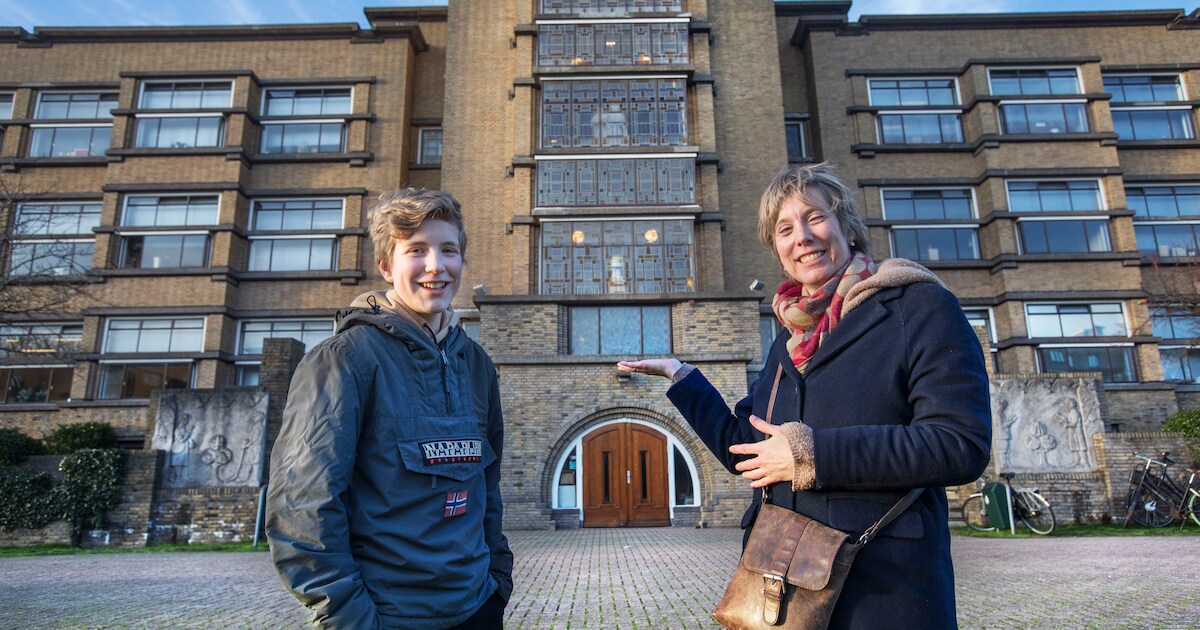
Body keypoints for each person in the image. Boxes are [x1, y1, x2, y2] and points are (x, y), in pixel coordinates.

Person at [619, 162, 991, 629]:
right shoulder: (789, 340)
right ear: (777, 249)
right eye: (785, 229)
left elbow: (959, 444)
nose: (802, 237)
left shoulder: (918, 307)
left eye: (815, 218)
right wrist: (683, 377)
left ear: (847, 228)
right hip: (789, 591)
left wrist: (812, 456)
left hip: (882, 591)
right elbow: (749, 449)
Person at [266, 188, 512, 629]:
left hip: (478, 609)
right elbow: (301, 510)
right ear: (386, 265)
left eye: (448, 250)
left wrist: (497, 580)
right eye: (417, 250)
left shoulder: (476, 365)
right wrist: (352, 619)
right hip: (387, 617)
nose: (436, 266)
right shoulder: (342, 360)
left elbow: (486, 488)